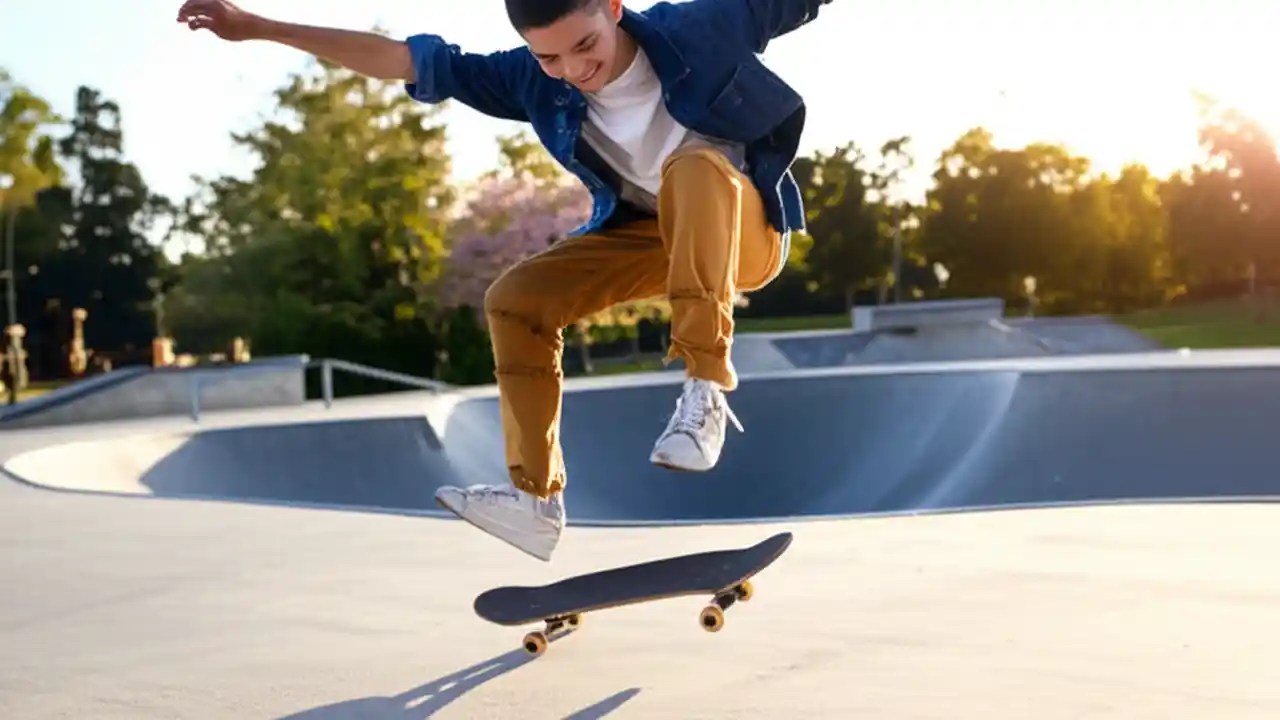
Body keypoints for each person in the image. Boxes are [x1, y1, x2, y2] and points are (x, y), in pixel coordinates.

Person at [176, 0, 829, 561]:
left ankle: (705, 389)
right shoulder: (529, 81)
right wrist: (258, 25)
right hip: (653, 236)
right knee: (515, 302)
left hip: (743, 233)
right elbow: (401, 58)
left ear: (612, 5)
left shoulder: (702, 26)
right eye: (550, 59)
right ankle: (535, 502)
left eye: (584, 47)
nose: (574, 71)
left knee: (694, 168)